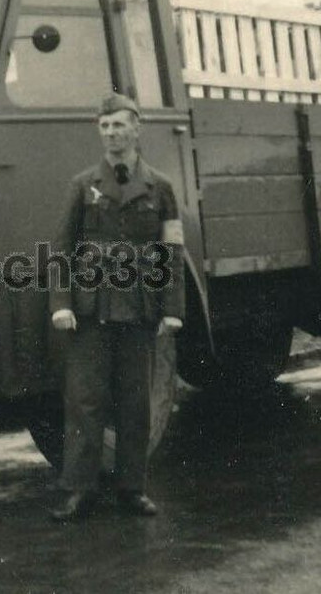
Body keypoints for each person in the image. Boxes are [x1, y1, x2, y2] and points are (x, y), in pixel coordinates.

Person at [48, 92, 185, 521]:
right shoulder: (82, 185)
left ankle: (132, 489)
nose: (111, 134)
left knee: (135, 403)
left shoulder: (160, 188)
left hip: (139, 310)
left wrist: (172, 308)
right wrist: (61, 303)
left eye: (119, 125)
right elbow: (61, 249)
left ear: (136, 128)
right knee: (85, 402)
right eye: (105, 127)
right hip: (90, 312)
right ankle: (79, 490)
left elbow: (171, 254)